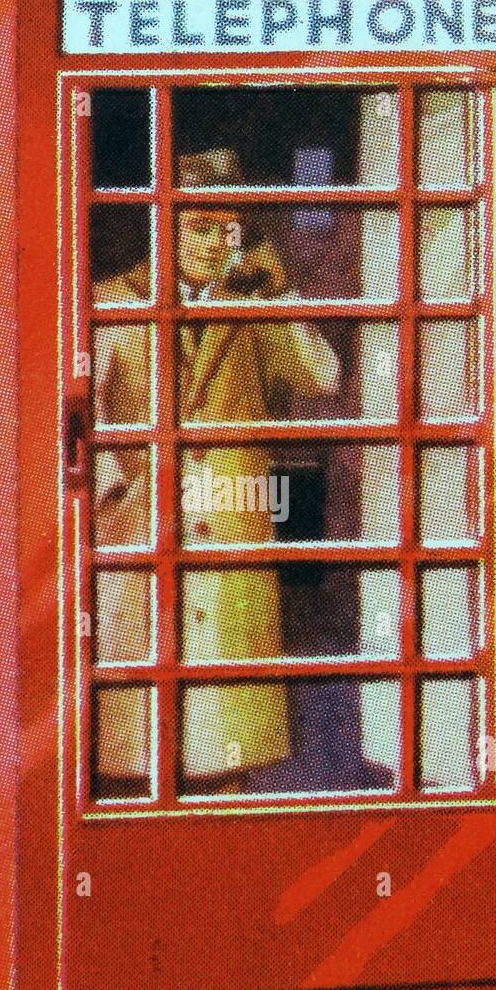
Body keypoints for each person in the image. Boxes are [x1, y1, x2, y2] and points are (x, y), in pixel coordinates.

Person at [93, 148, 341, 794]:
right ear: (162, 223)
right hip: (143, 554)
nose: (213, 244)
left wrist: (276, 287)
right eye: (199, 226)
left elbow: (323, 375)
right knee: (137, 756)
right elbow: (78, 422)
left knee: (225, 762)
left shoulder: (252, 307)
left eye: (229, 229)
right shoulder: (110, 303)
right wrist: (117, 497)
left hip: (231, 559)